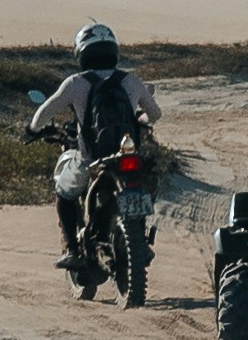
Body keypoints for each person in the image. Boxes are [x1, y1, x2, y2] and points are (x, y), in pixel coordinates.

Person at [26, 22, 160, 294]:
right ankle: (140, 241)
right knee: (143, 185)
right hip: (128, 157)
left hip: (91, 159)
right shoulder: (131, 81)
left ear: (82, 53)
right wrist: (139, 119)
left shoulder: (76, 83)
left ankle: (73, 251)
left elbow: (45, 111)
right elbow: (155, 114)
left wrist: (32, 130)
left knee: (64, 193)